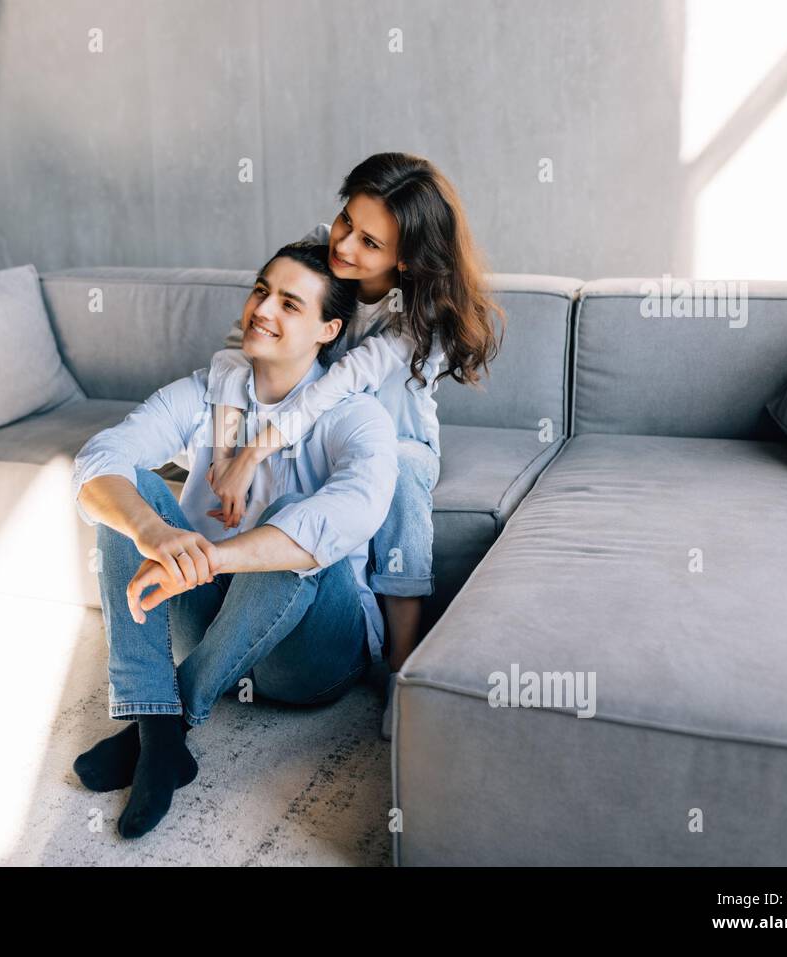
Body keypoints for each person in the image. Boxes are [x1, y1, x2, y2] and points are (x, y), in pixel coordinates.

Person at [71, 242, 399, 839]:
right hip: (215, 622)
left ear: (329, 329)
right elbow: (99, 461)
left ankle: (173, 724)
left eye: (289, 303)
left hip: (311, 658)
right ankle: (153, 718)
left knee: (294, 519)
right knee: (133, 488)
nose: (262, 309)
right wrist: (153, 531)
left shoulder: (355, 416)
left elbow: (348, 515)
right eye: (260, 290)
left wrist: (212, 556)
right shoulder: (210, 391)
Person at [204, 152, 505, 739]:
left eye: (370, 243)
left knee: (400, 473)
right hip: (312, 425)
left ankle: (400, 669)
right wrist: (226, 451)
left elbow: (344, 382)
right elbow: (250, 341)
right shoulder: (319, 248)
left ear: (406, 258)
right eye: (347, 221)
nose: (345, 246)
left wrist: (251, 453)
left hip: (394, 436)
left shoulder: (418, 312)